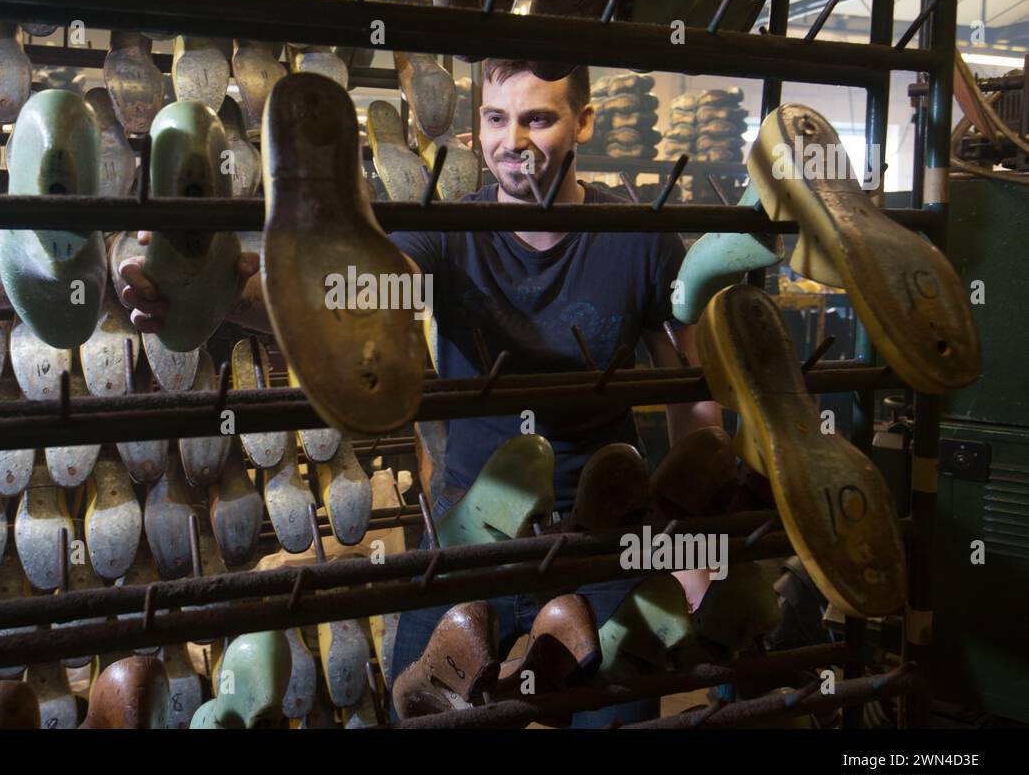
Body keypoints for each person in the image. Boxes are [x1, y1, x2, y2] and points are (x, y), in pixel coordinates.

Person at [117, 59, 722, 727]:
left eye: (537, 118)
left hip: (607, 541)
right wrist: (221, 291)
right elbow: (358, 307)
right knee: (422, 715)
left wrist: (691, 549)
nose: (511, 141)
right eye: (495, 119)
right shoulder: (449, 234)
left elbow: (693, 401)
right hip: (472, 532)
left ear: (583, 122)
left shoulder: (638, 242)